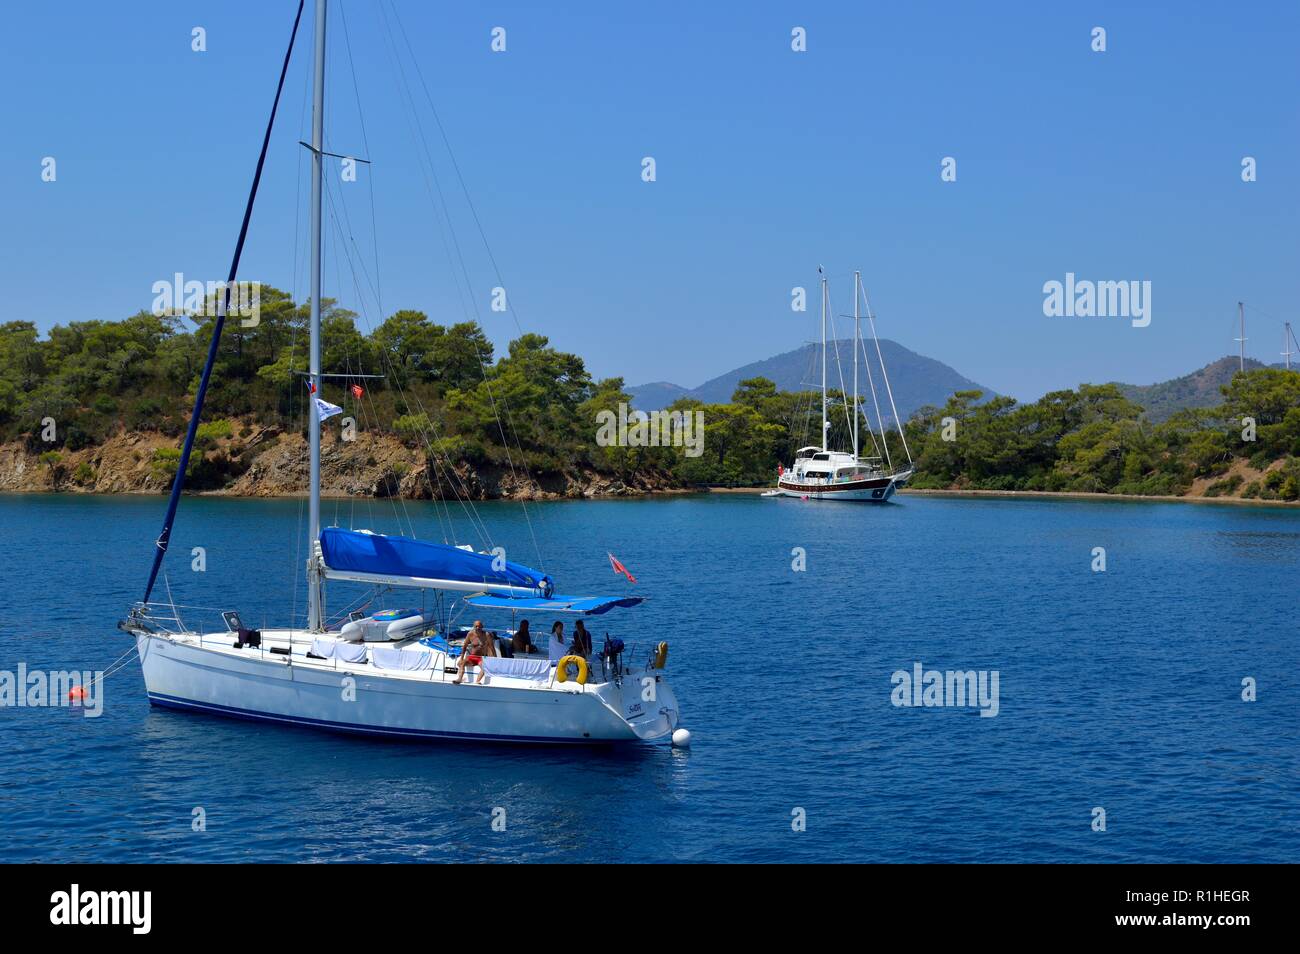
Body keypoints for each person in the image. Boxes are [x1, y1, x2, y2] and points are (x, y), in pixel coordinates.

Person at [453, 620, 496, 685]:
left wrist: (495, 659)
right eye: (476, 626)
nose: (477, 628)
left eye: (479, 626)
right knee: (462, 663)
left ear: (482, 627)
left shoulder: (486, 635)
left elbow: (492, 647)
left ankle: (478, 681)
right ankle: (459, 679)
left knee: (485, 667)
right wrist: (461, 658)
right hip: (472, 657)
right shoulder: (470, 634)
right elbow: (464, 646)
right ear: (473, 627)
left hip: (481, 658)